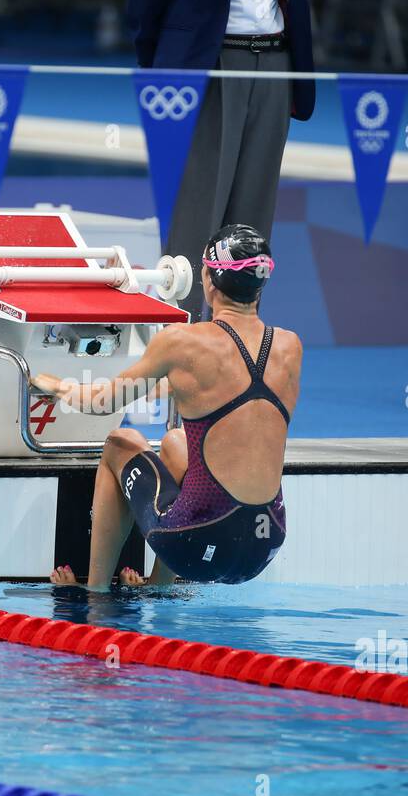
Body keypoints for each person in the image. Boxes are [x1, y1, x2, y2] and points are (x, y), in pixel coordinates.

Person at [33, 225, 302, 588]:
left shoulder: (181, 342)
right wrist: (165, 389)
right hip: (262, 546)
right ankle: (160, 591)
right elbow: (236, 398)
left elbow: (101, 403)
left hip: (196, 542)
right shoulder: (289, 347)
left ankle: (94, 594)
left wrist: (58, 385)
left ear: (208, 278)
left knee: (119, 442)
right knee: (176, 442)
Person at [128, 0, 315, 318]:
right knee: (196, 218)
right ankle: (181, 346)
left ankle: (237, 345)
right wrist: (162, 69)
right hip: (206, 65)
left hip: (276, 60)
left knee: (253, 219)